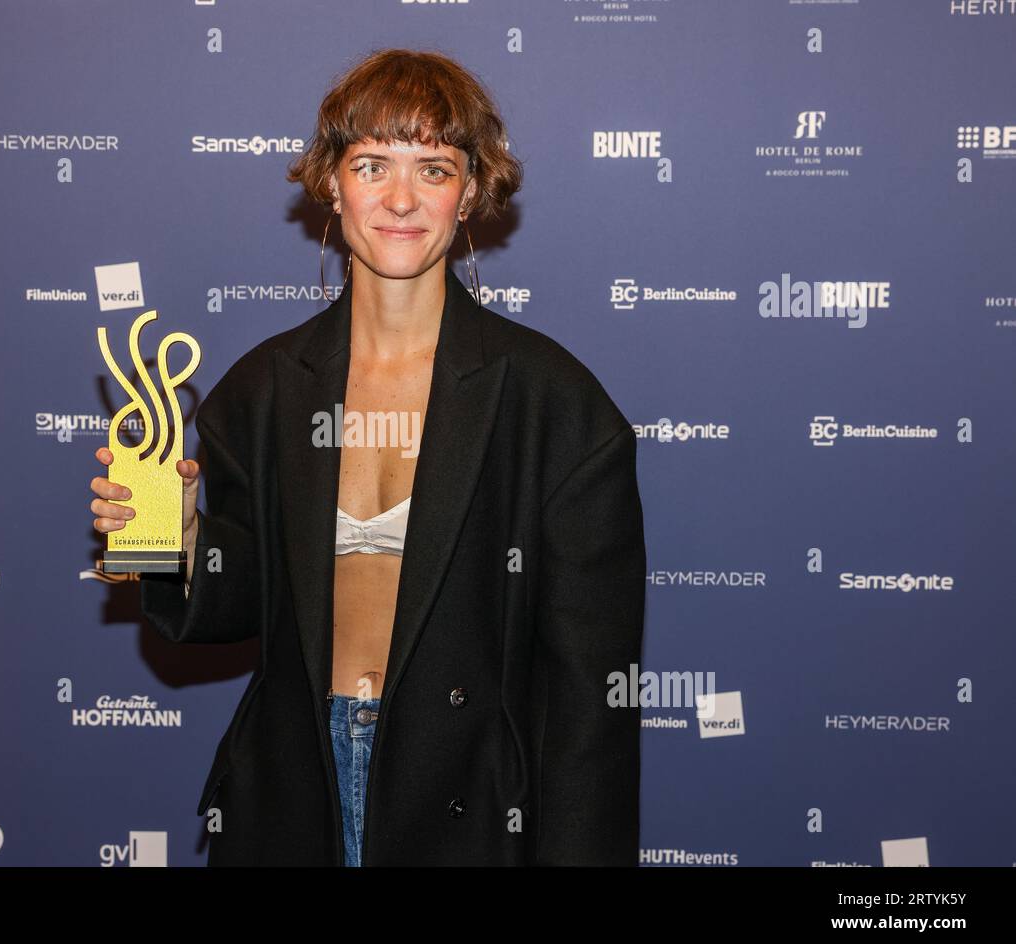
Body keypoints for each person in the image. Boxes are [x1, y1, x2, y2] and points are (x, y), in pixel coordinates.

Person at [90, 48, 646, 866]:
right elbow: (236, 605)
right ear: (332, 183)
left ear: (471, 193)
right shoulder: (264, 389)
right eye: (372, 163)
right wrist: (173, 543)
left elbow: (590, 704)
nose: (399, 198)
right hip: (293, 793)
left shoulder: (556, 405)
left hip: (474, 809)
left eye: (434, 168)